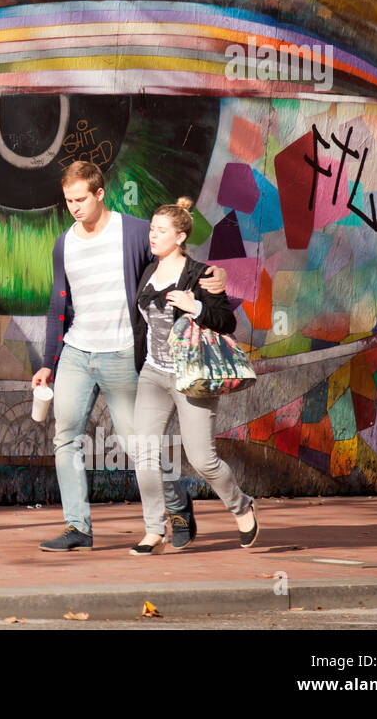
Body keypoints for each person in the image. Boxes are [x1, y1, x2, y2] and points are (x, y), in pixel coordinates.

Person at [32, 161, 226, 552]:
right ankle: (78, 528)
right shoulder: (64, 242)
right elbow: (58, 304)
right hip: (76, 350)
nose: (74, 207)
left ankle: (177, 506)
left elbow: (178, 263)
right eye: (68, 200)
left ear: (100, 194)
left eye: (81, 199)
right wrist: (47, 363)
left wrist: (214, 280)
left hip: (122, 353)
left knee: (138, 444)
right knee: (65, 438)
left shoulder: (135, 232)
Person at [129, 199, 258, 554]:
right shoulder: (147, 271)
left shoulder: (200, 275)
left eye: (161, 231)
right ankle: (154, 530)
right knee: (144, 452)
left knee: (202, 459)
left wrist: (195, 306)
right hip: (152, 375)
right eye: (151, 229)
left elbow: (227, 322)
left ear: (181, 236)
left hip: (191, 378)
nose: (152, 236)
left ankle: (241, 506)